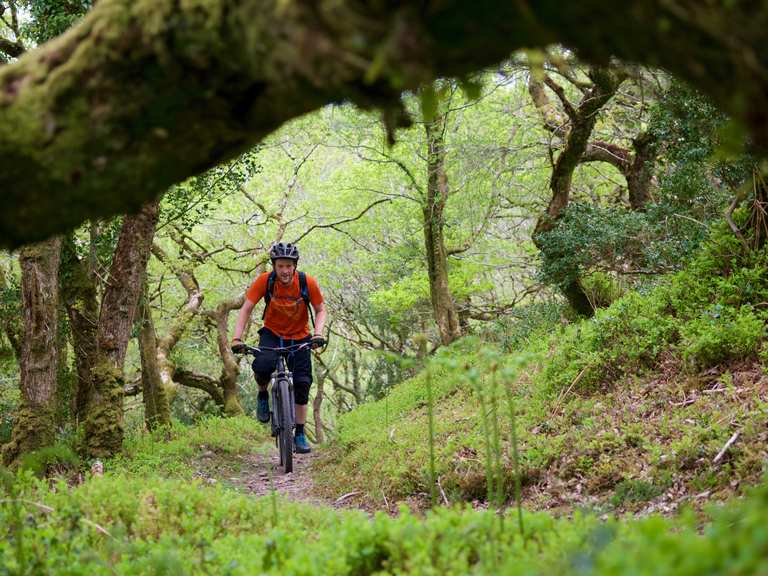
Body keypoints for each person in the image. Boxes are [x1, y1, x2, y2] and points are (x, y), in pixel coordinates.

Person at [230, 242, 326, 454]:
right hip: (272, 334)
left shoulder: (306, 282)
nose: (284, 270)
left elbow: (320, 309)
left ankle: (299, 433)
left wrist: (318, 334)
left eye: (288, 266)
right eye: (280, 266)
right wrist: (237, 337)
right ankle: (263, 394)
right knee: (262, 366)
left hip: (300, 337)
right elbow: (246, 309)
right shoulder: (265, 281)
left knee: (302, 383)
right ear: (274, 266)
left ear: (295, 266)